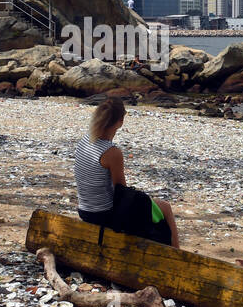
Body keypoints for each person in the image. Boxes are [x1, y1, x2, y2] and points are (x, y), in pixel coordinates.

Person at [74, 97, 180, 248]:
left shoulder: (85, 140)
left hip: (85, 210)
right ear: (120, 121)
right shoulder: (112, 152)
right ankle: (177, 254)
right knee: (165, 208)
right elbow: (121, 192)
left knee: (150, 204)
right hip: (104, 215)